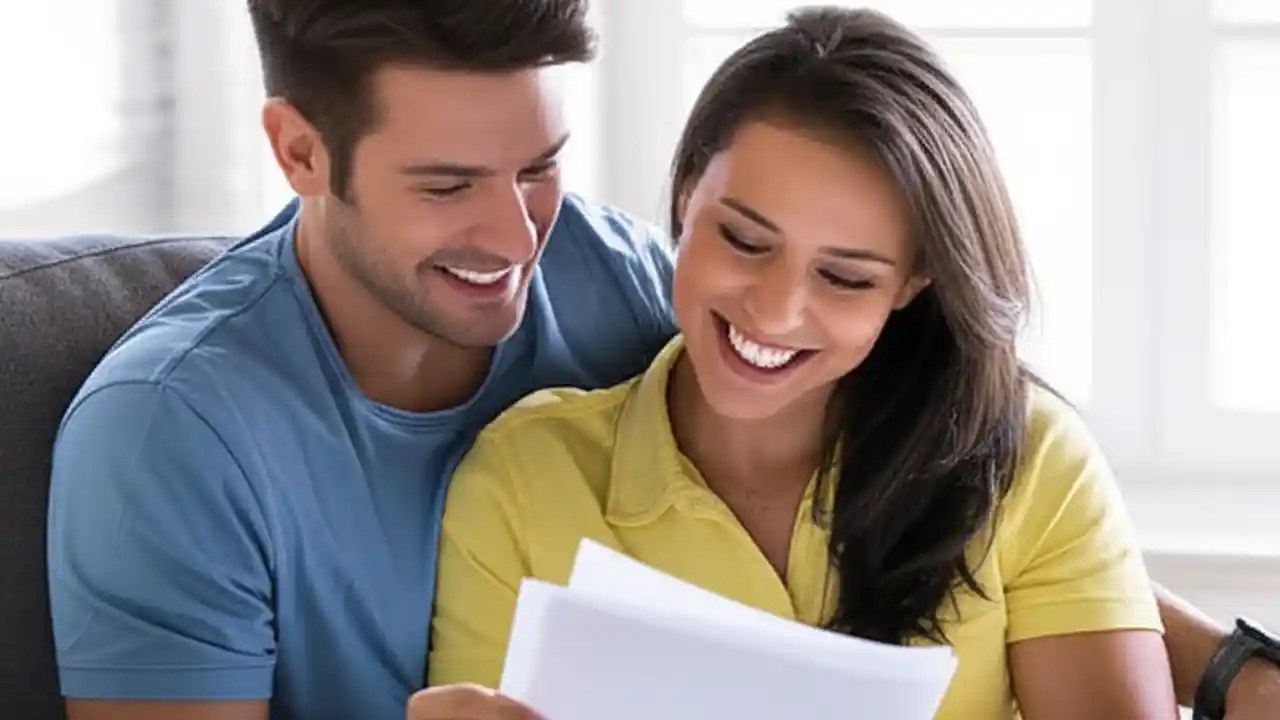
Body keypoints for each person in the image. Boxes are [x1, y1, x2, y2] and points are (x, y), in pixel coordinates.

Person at [42, 2, 1278, 720]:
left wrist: (1222, 668)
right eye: (445, 185)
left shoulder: (626, 273)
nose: (514, 232)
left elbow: (980, 470)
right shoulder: (169, 435)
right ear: (300, 153)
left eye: (538, 166)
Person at [426, 8, 1277, 720]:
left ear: (913, 281)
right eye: (744, 239)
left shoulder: (1025, 462)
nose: (775, 308)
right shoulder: (525, 479)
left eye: (844, 276)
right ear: (686, 195)